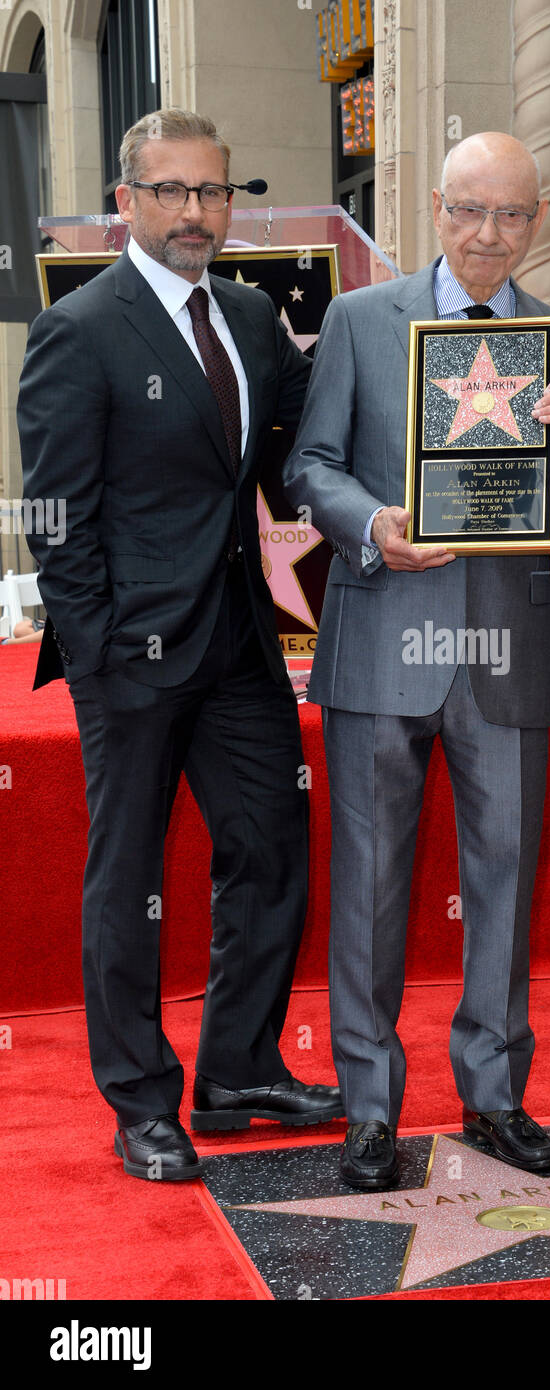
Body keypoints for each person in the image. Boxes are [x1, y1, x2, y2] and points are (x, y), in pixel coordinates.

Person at [17, 108, 342, 1183]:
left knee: (272, 846)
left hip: (241, 644)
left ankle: (238, 1070)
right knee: (128, 875)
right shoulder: (83, 327)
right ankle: (140, 1101)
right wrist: (99, 651)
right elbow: (55, 511)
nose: (196, 211)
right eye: (171, 191)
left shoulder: (251, 318)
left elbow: (313, 435)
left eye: (213, 191)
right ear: (126, 204)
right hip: (132, 657)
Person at [283, 132, 550, 1190]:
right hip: (381, 642)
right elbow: (309, 466)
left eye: (510, 215)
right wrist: (372, 523)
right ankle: (368, 1107)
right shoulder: (358, 319)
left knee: (503, 885)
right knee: (368, 888)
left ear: (537, 221)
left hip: (504, 653)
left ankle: (495, 1094)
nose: (486, 234)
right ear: (434, 207)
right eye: (469, 209)